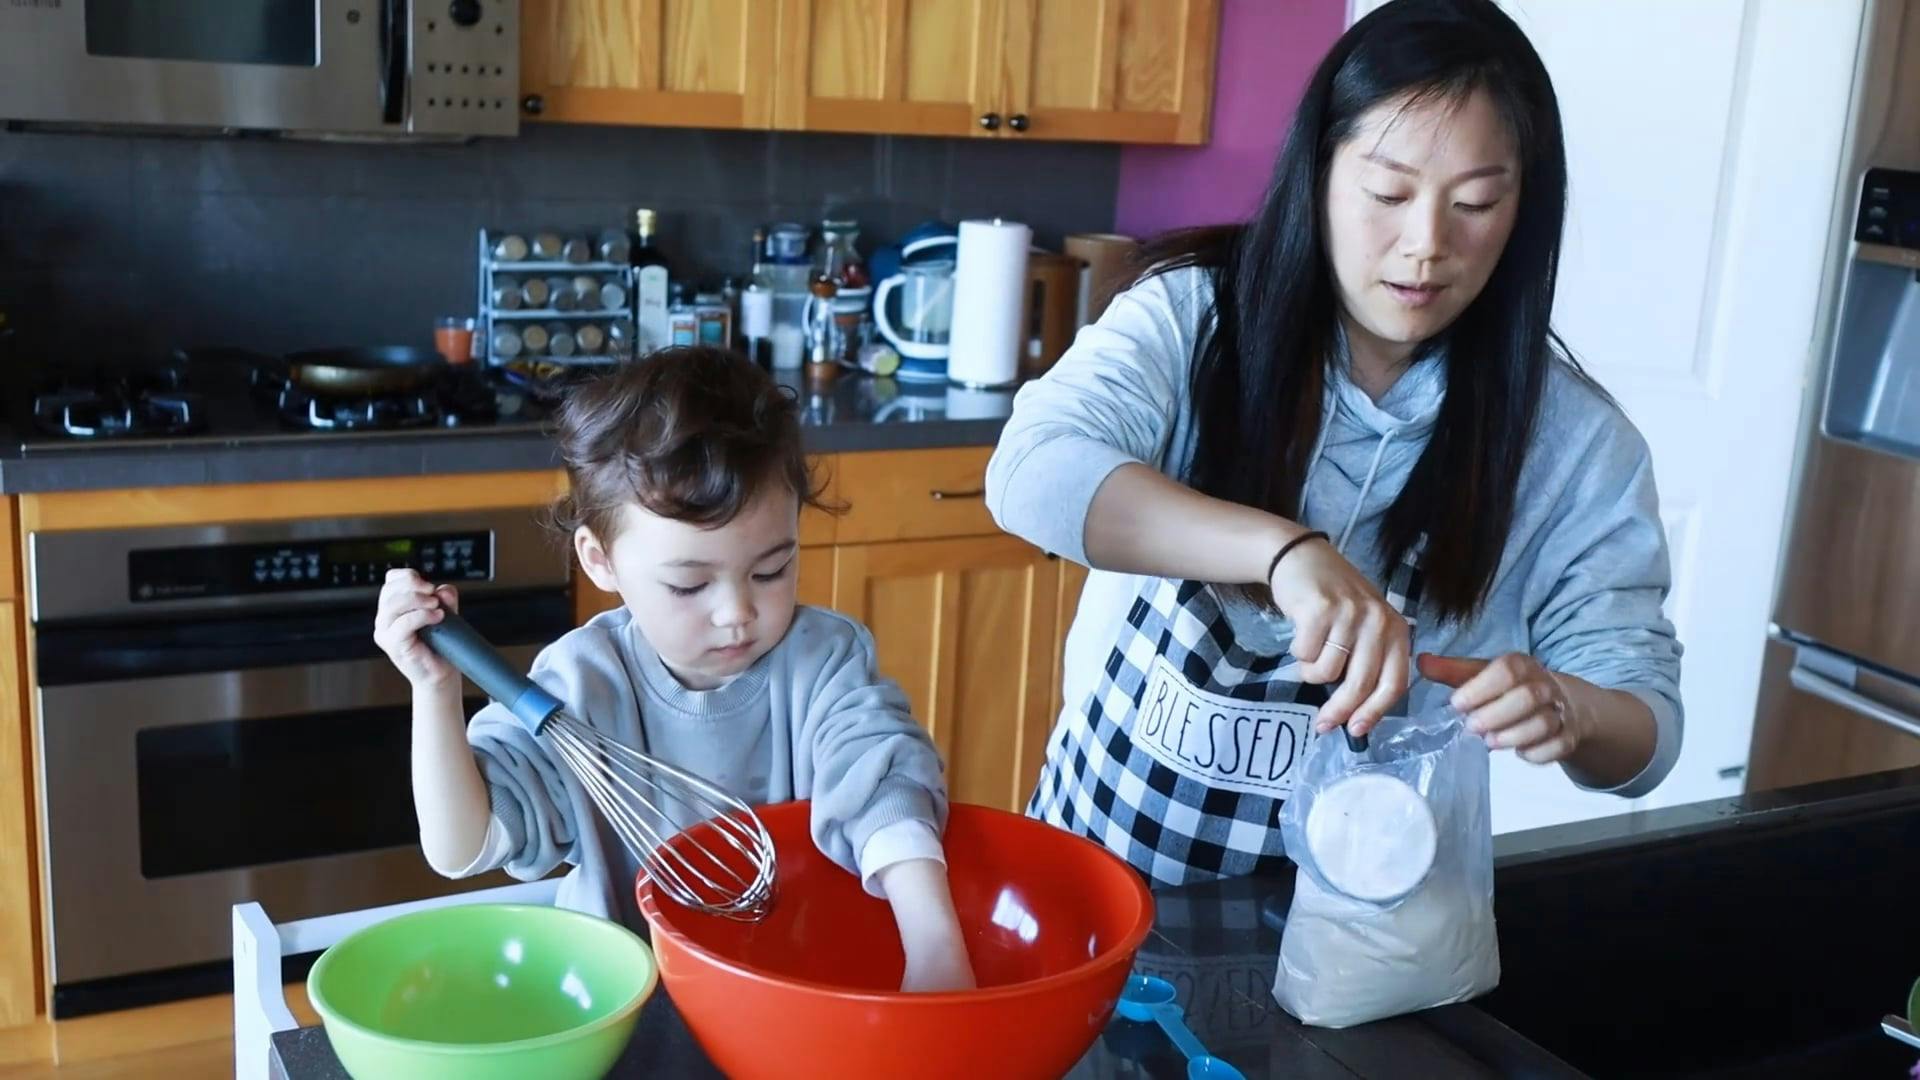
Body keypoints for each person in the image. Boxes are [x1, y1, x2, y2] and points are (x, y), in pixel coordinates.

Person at [986, 0, 1683, 886]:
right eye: (1388, 194)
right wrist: (1283, 553)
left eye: (1476, 203)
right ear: (1318, 171)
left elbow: (1646, 733)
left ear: (1523, 211)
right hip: (1094, 881)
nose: (1426, 246)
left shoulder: (1579, 447)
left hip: (1364, 931)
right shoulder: (1192, 318)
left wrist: (1574, 713)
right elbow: (1030, 475)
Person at [374, 345, 976, 992]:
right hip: (625, 1010)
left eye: (771, 570)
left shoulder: (823, 663)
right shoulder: (579, 688)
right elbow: (463, 846)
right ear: (600, 560)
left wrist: (936, 948)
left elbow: (885, 788)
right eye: (690, 585)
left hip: (793, 998)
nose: (737, 612)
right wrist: (435, 692)